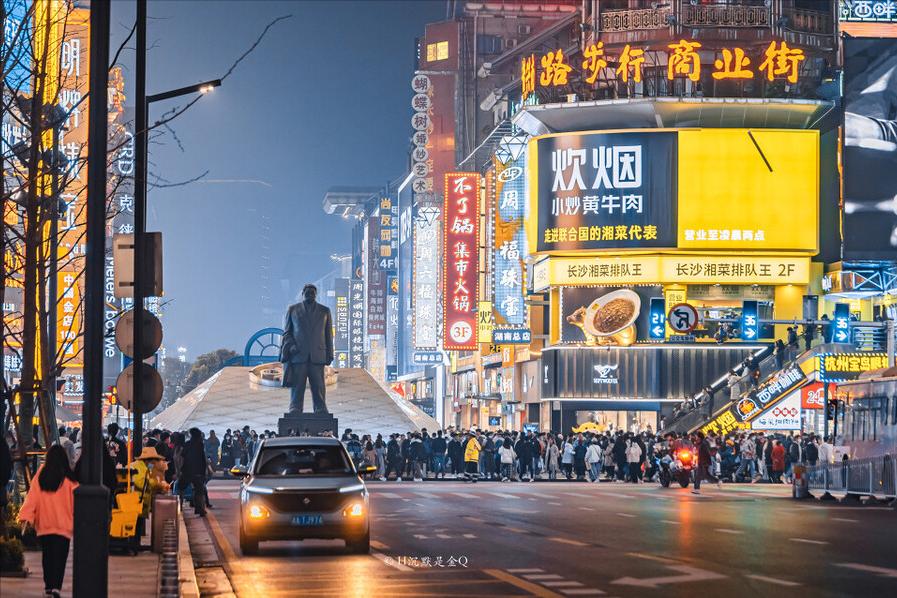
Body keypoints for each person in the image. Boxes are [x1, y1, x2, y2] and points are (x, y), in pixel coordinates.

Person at [19, 445, 78, 598]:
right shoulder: (69, 479)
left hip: (44, 525)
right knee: (60, 557)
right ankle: (56, 587)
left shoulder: (41, 475)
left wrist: (26, 516)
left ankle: (48, 586)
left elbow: (32, 497)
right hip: (63, 526)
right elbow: (77, 502)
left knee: (48, 556)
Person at [181, 428, 209, 516]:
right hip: (198, 471)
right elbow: (202, 458)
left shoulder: (187, 444)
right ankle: (199, 509)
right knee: (199, 490)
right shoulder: (200, 444)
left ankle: (179, 506)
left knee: (180, 488)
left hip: (187, 470)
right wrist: (204, 471)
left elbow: (183, 456)